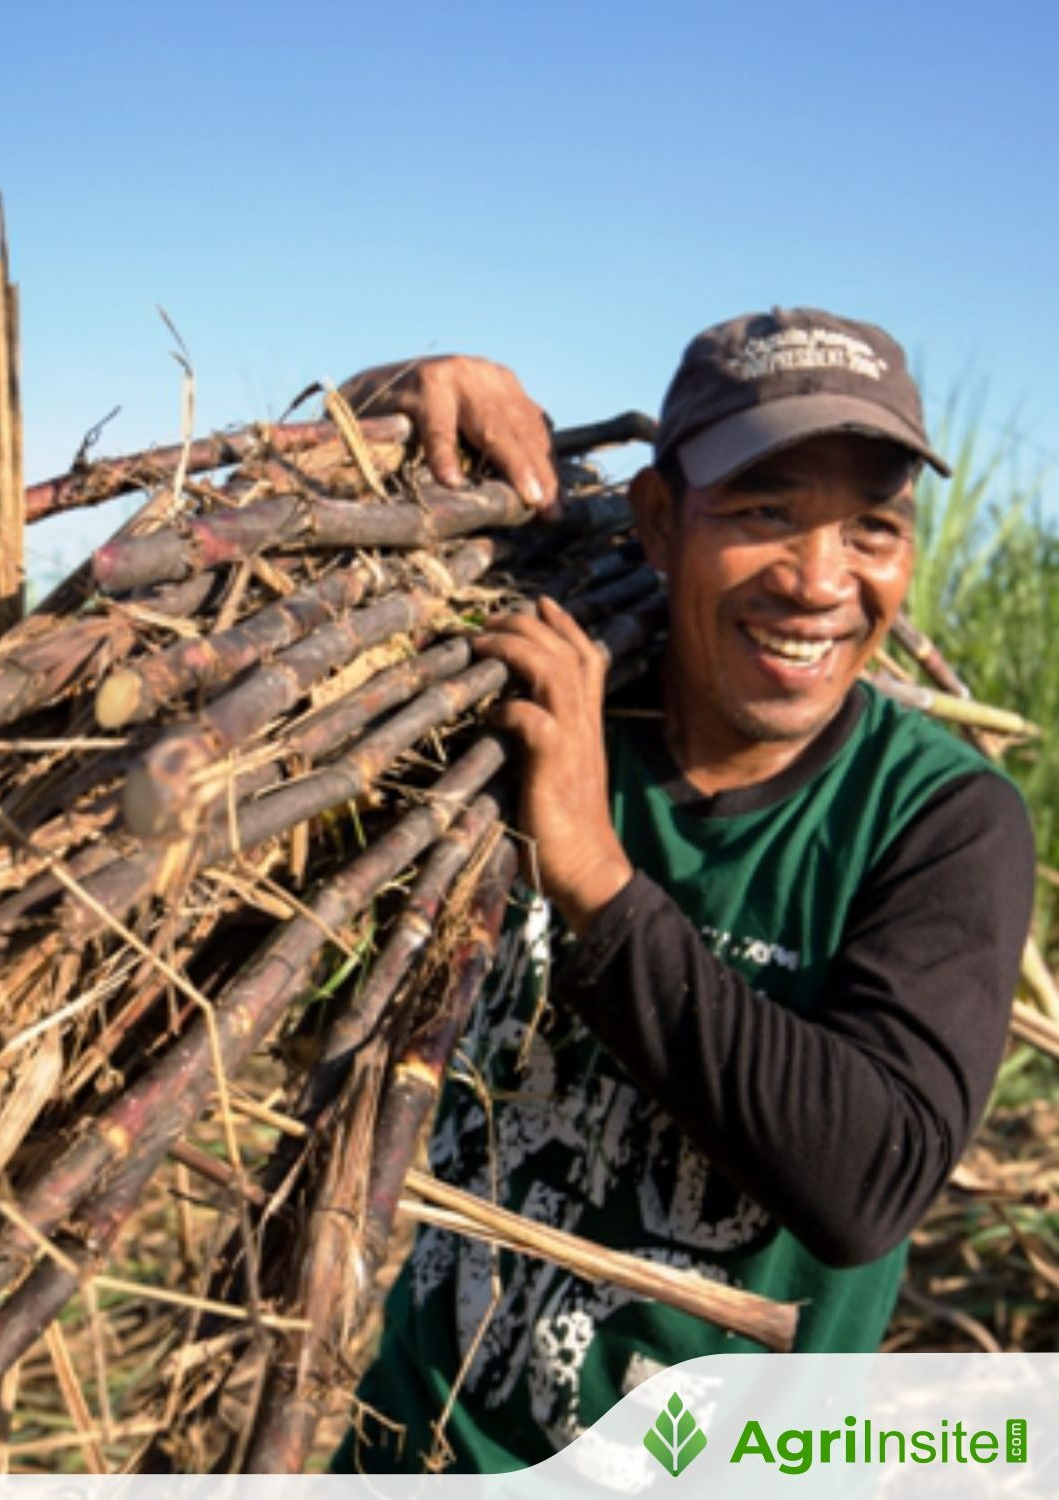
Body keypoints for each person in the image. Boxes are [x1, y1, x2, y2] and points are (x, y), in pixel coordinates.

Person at [333, 308, 1034, 1474]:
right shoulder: (522, 714)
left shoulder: (939, 821)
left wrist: (597, 885)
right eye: (765, 513)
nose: (820, 581)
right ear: (659, 522)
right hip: (412, 1449)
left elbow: (868, 1180)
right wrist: (387, 397)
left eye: (873, 527)